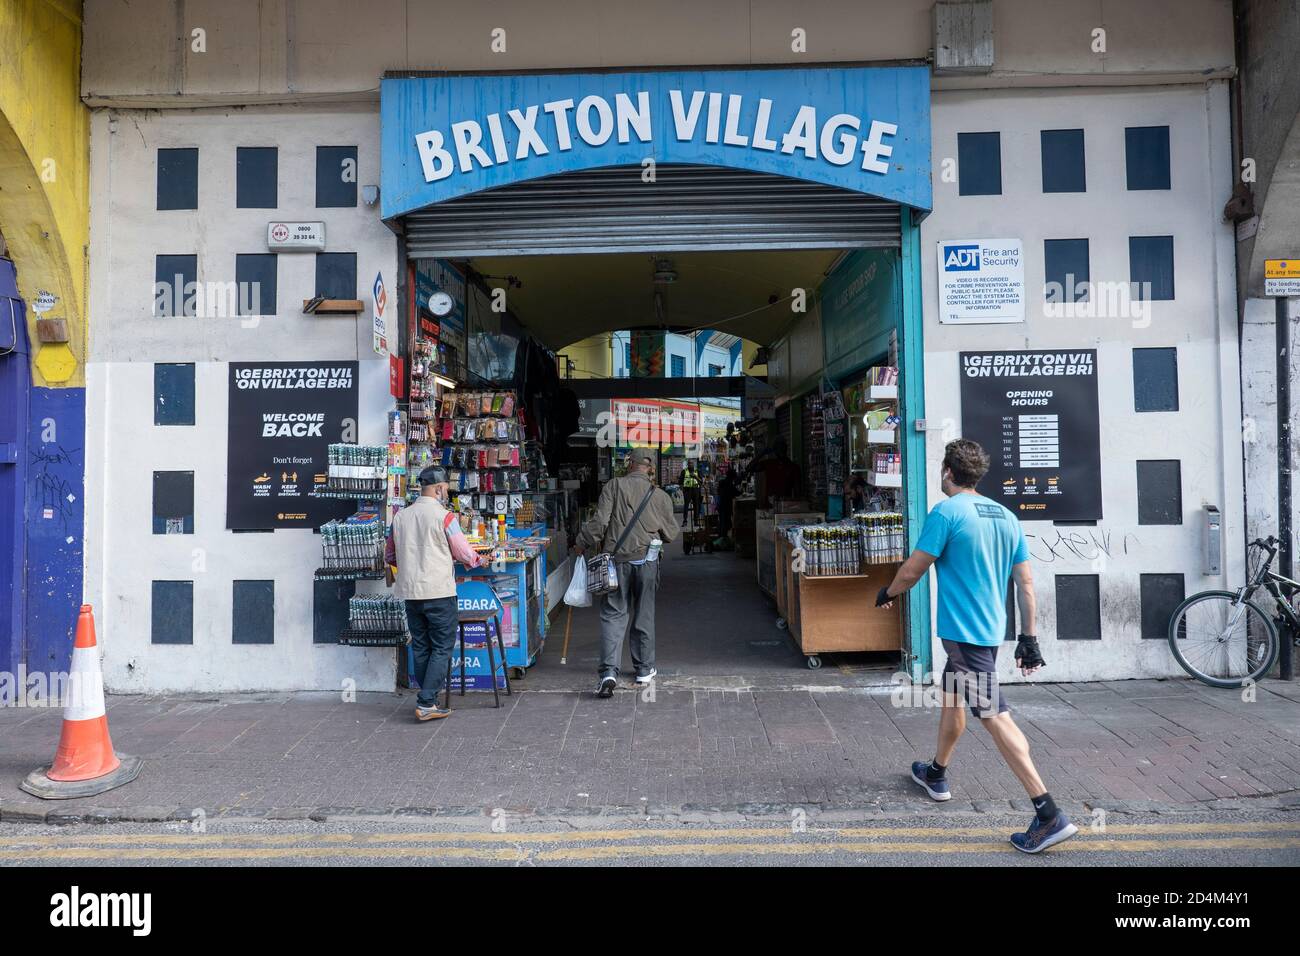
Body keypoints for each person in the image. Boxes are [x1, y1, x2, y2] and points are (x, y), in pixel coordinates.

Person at [875, 438, 1075, 855]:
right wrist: (1028, 638)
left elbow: (914, 569)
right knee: (952, 700)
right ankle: (936, 773)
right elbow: (1026, 584)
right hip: (988, 633)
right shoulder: (1005, 515)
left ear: (947, 472)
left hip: (964, 638)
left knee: (994, 716)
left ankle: (1048, 812)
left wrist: (888, 592)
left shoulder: (946, 512)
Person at [573, 453, 680, 697]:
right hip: (648, 563)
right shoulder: (660, 496)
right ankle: (643, 669)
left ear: (630, 465)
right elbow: (672, 533)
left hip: (617, 563)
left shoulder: (614, 486)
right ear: (649, 468)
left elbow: (600, 523)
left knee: (613, 613)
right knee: (644, 613)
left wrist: (581, 543)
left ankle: (609, 672)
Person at [386, 465, 487, 721]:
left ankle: (427, 696)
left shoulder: (400, 517)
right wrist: (480, 560)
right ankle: (426, 702)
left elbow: (390, 555)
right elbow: (464, 553)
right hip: (439, 592)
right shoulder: (445, 517)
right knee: (442, 648)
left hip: (411, 593)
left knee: (421, 646)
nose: (446, 493)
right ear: (440, 488)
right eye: (445, 489)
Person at [680, 461, 702, 529]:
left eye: (692, 463)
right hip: (687, 491)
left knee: (696, 506)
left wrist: (695, 476)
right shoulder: (684, 471)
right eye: (689, 463)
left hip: (695, 491)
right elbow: (680, 481)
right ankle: (685, 521)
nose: (690, 464)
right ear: (687, 464)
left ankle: (696, 521)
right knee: (686, 506)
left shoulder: (697, 471)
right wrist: (682, 490)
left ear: (693, 464)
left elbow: (701, 481)